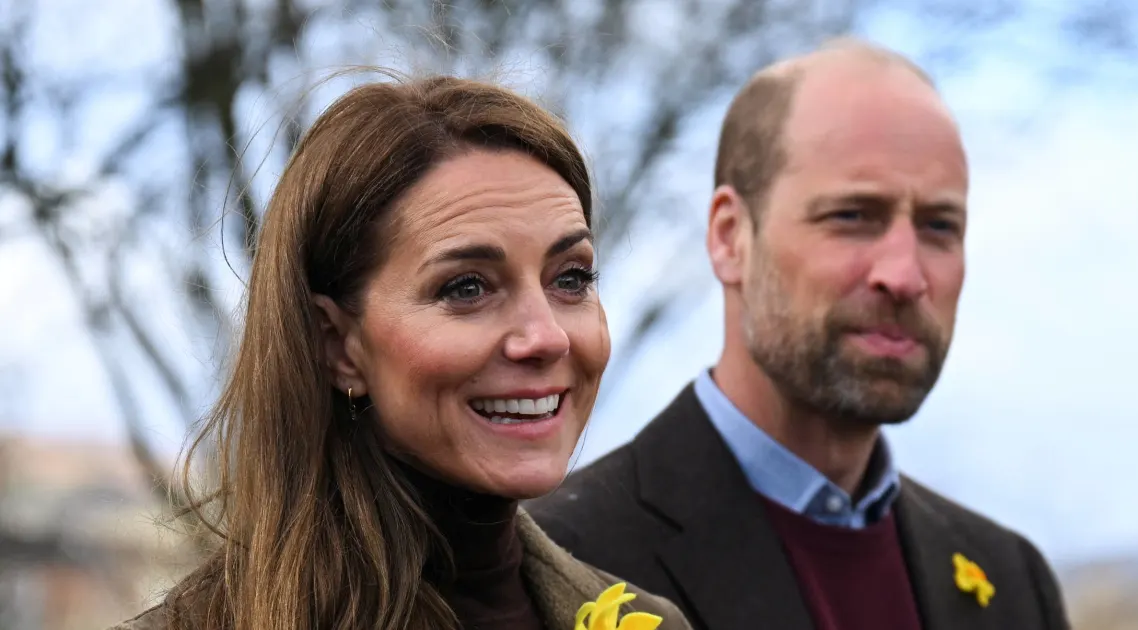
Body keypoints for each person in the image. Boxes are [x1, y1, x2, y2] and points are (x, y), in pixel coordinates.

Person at [526, 39, 1072, 630]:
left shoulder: (1013, 581)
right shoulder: (555, 567)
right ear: (730, 237)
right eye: (852, 216)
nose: (905, 276)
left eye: (940, 226)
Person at [110, 73, 690, 630]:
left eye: (571, 278)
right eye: (467, 287)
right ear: (337, 345)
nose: (547, 336)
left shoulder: (650, 621)